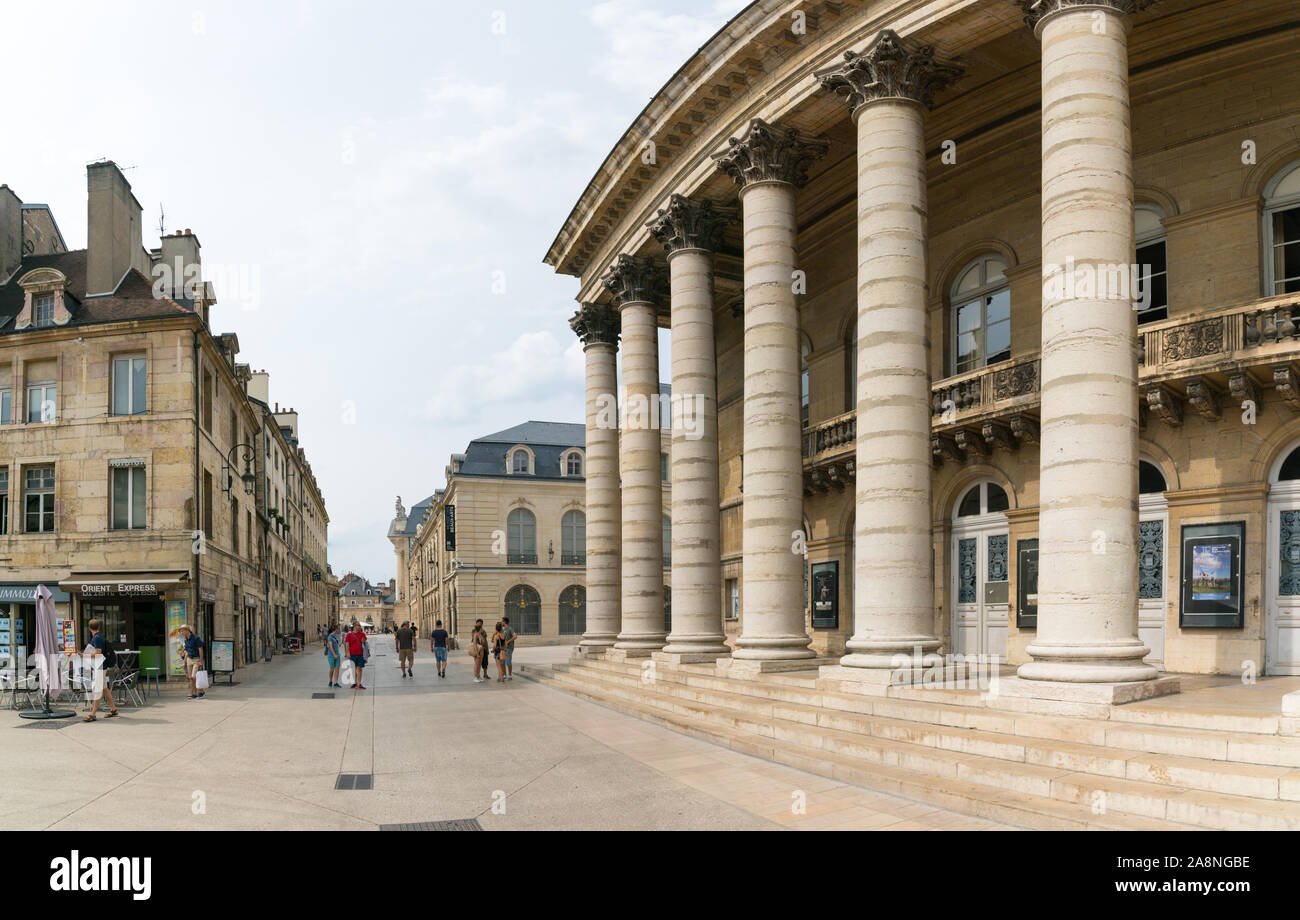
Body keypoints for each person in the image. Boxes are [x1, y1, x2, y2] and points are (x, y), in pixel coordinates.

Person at [82, 618, 119, 722]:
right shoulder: (99, 636)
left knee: (97, 689)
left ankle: (93, 714)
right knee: (103, 688)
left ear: (89, 628)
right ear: (99, 627)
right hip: (101, 666)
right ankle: (113, 709)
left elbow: (98, 652)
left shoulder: (97, 638)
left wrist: (85, 655)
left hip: (100, 667)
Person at [178, 625, 206, 700]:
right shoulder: (186, 640)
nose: (181, 632)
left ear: (187, 630)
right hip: (189, 659)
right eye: (180, 631)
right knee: (191, 678)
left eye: (182, 630)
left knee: (194, 676)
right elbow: (186, 652)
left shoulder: (196, 638)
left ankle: (198, 691)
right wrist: (184, 662)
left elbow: (200, 649)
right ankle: (196, 692)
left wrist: (201, 660)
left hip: (196, 659)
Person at [345, 623, 367, 690]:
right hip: (352, 654)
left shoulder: (362, 634)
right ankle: (354, 683)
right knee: (353, 669)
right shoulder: (349, 635)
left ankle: (359, 683)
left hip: (360, 654)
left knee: (359, 669)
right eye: (358, 626)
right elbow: (347, 644)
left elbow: (365, 643)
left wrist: (363, 641)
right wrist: (347, 653)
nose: (359, 627)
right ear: (354, 627)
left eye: (360, 626)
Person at [501, 615, 517, 681]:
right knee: (502, 662)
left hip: (509, 648)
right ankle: (504, 675)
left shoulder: (510, 629)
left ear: (504, 622)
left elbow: (515, 636)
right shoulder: (503, 630)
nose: (501, 622)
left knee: (508, 662)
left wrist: (508, 641)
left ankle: (510, 675)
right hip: (503, 648)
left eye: (502, 621)